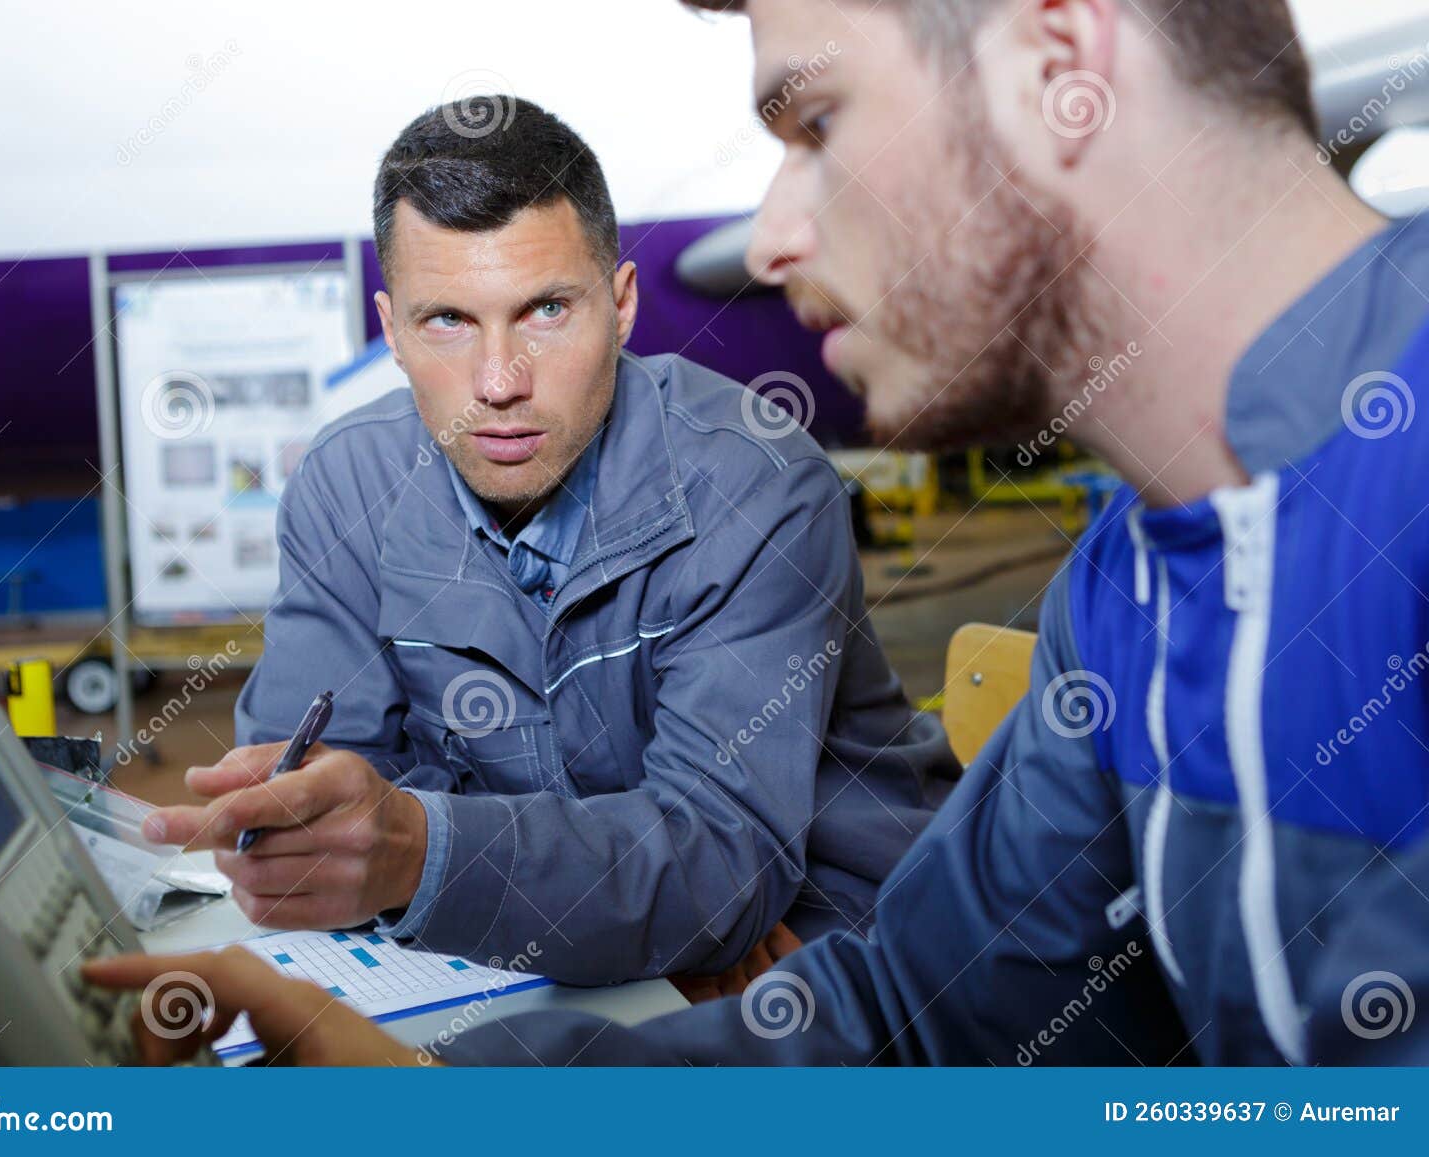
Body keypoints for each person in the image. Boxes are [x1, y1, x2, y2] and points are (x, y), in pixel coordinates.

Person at [89, 0, 1429, 1065]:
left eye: (818, 123)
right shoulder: (1125, 592)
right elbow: (907, 1018)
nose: (774, 240)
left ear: (1059, 58)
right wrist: (436, 1093)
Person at [134, 95, 957, 991]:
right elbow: (319, 822)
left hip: (846, 954)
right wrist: (643, 899)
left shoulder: (758, 483)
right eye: (447, 320)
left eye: (546, 311)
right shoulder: (346, 488)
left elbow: (720, 869)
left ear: (623, 304)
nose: (498, 382)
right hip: (537, 968)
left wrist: (421, 845)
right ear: (392, 330)